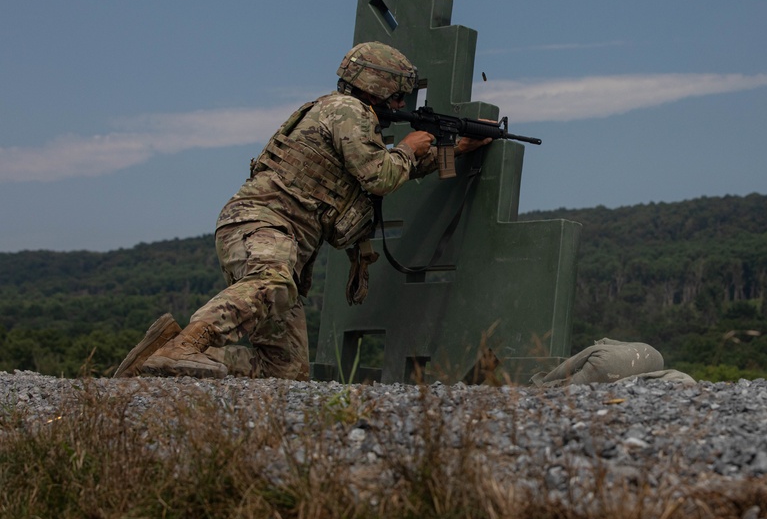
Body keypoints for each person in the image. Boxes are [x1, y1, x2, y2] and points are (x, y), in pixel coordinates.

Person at [114, 42, 490, 380]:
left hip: (278, 237)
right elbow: (381, 177)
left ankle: (162, 355)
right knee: (274, 283)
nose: (401, 106)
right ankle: (185, 346)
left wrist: (455, 148)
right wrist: (409, 147)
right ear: (379, 86)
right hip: (263, 224)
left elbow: (377, 170)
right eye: (397, 97)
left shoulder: (346, 113)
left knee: (286, 370)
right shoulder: (347, 111)